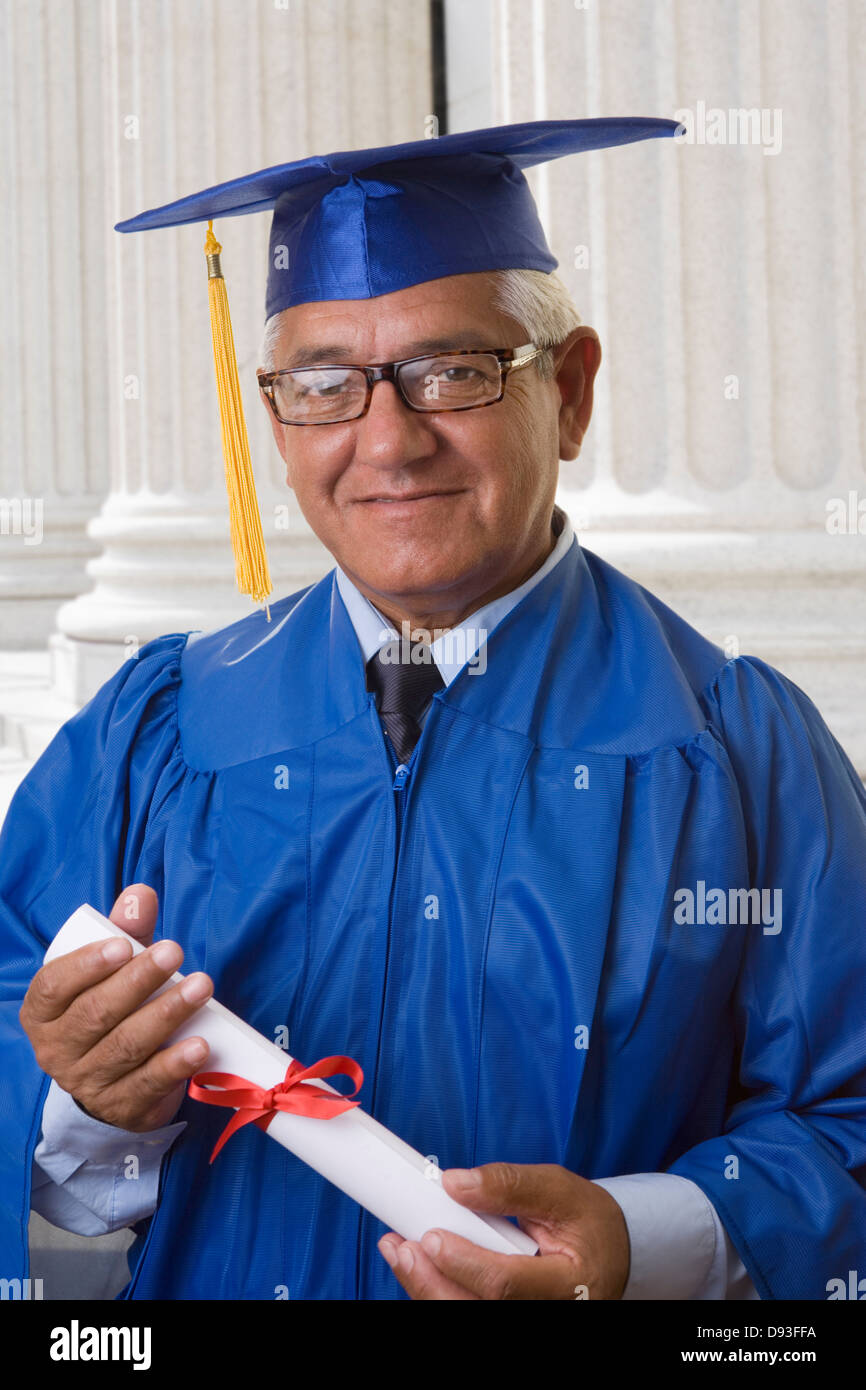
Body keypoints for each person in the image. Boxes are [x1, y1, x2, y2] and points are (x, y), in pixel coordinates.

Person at [3, 120, 865, 1301]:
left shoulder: (736, 751)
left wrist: (638, 1244)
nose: (389, 441)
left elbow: (844, 1122)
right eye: (322, 387)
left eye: (452, 372)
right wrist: (85, 1105)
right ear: (276, 419)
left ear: (566, 393)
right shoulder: (150, 736)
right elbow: (24, 1057)